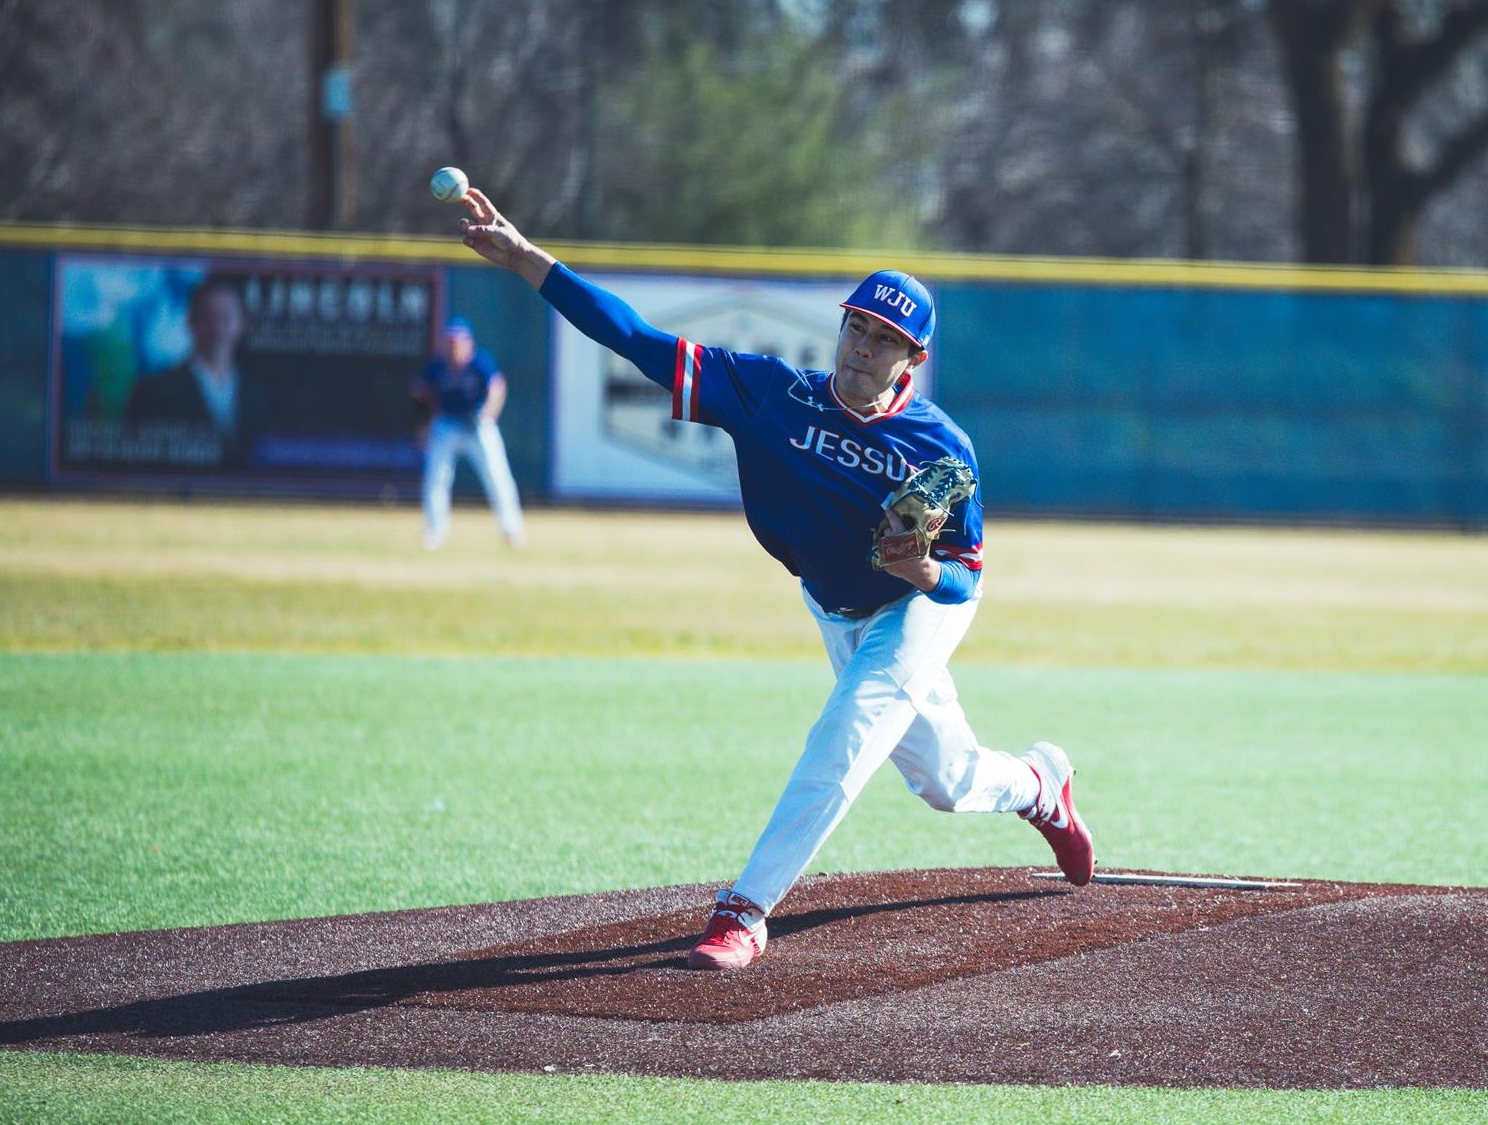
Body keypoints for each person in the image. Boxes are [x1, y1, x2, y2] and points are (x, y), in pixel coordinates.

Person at [453, 186, 1095, 970]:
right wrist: (527, 259)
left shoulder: (942, 449)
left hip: (915, 606)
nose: (862, 346)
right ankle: (1038, 785)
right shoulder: (770, 394)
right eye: (856, 326)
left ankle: (744, 909)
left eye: (884, 338)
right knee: (943, 778)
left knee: (848, 730)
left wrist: (926, 568)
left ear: (913, 361)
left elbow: (966, 576)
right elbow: (634, 339)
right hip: (835, 601)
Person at [125, 277, 267, 467]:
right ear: (191, 321)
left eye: (225, 317)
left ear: (242, 323)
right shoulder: (153, 392)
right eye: (207, 318)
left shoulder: (258, 393)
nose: (217, 328)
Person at [412, 316, 526, 550]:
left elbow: (497, 386)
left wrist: (489, 413)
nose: (454, 347)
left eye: (458, 342)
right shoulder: (438, 366)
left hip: (476, 424)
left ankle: (511, 530)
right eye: (450, 342)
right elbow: (420, 391)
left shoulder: (479, 363)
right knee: (436, 478)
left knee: (497, 477)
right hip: (447, 424)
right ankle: (434, 532)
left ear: (468, 343)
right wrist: (425, 424)